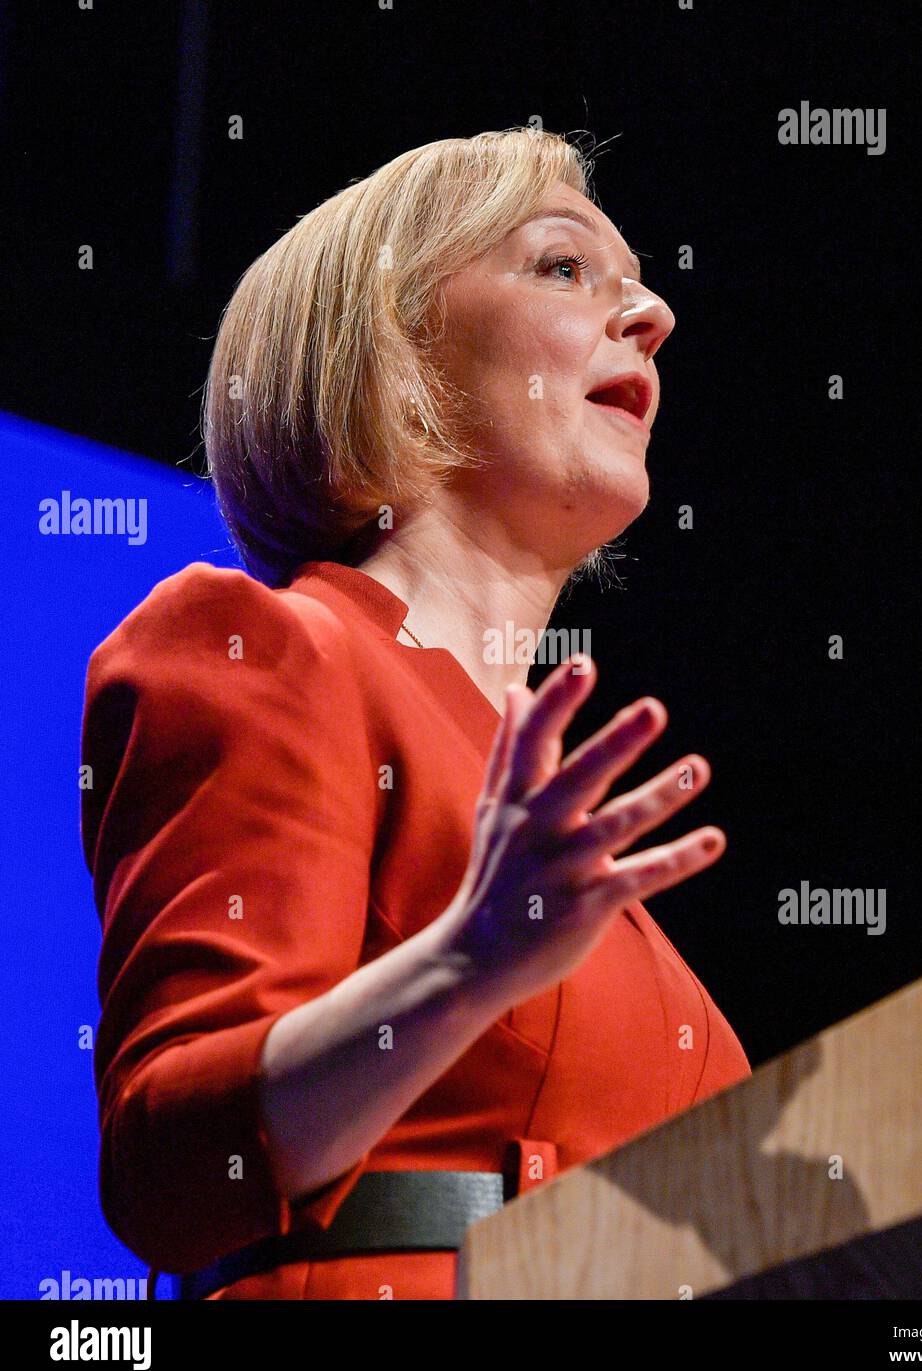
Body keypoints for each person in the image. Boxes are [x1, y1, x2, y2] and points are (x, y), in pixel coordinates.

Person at [80, 128, 751, 1301]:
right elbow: (171, 1173)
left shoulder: (569, 851)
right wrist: (466, 965)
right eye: (562, 265)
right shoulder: (272, 651)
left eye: (636, 280)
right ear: (397, 347)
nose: (651, 313)